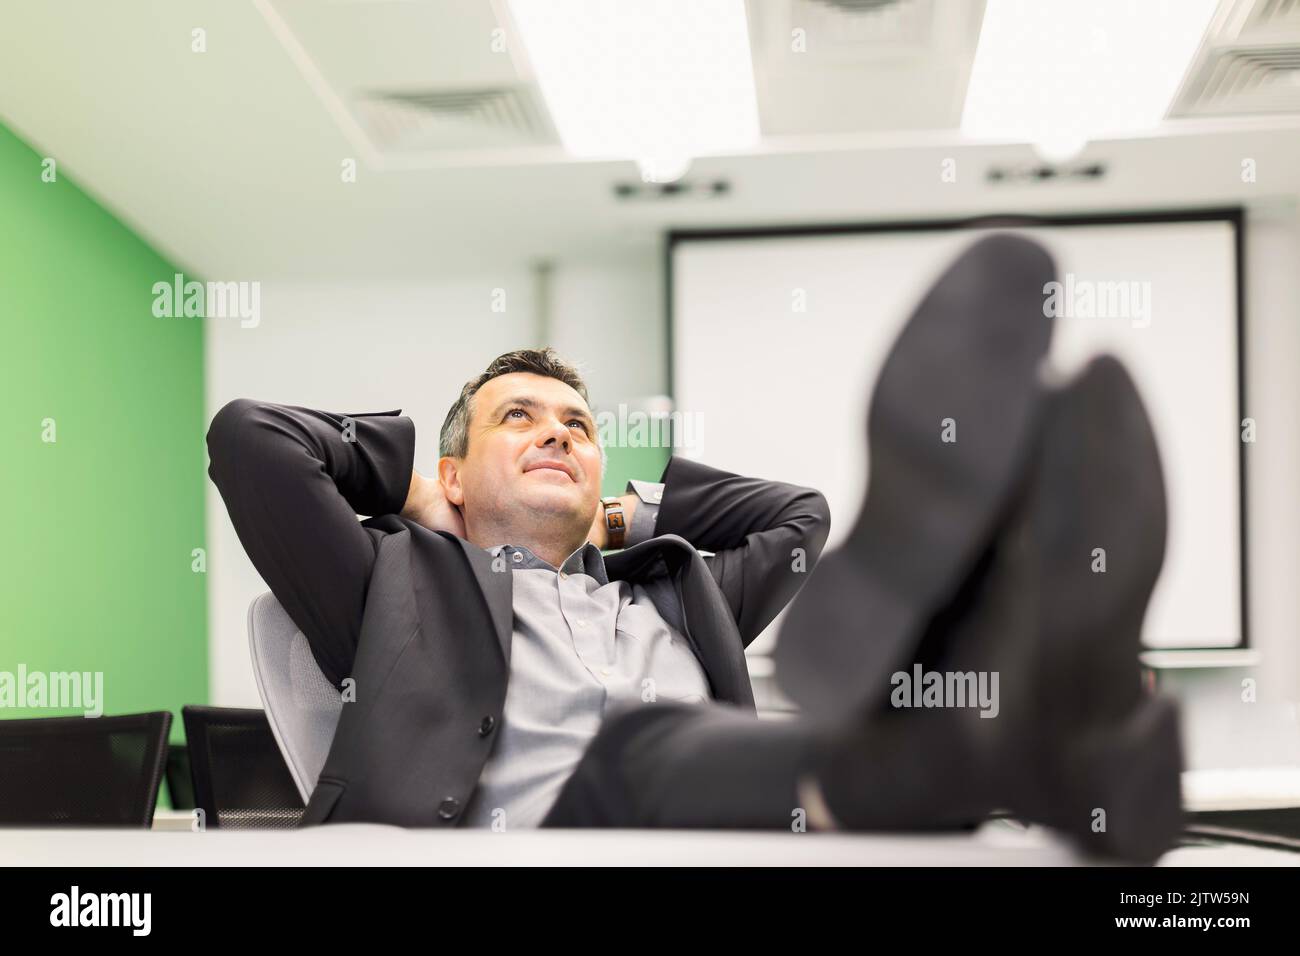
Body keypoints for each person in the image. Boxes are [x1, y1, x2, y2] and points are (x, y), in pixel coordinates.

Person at [207, 234, 1182, 862]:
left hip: (732, 846)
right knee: (644, 742)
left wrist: (623, 518)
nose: (557, 434)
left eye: (579, 426)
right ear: (457, 474)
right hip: (521, 851)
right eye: (519, 418)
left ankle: (1024, 723)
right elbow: (251, 441)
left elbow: (798, 520)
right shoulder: (390, 584)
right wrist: (419, 487)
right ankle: (1002, 738)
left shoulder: (672, 589)